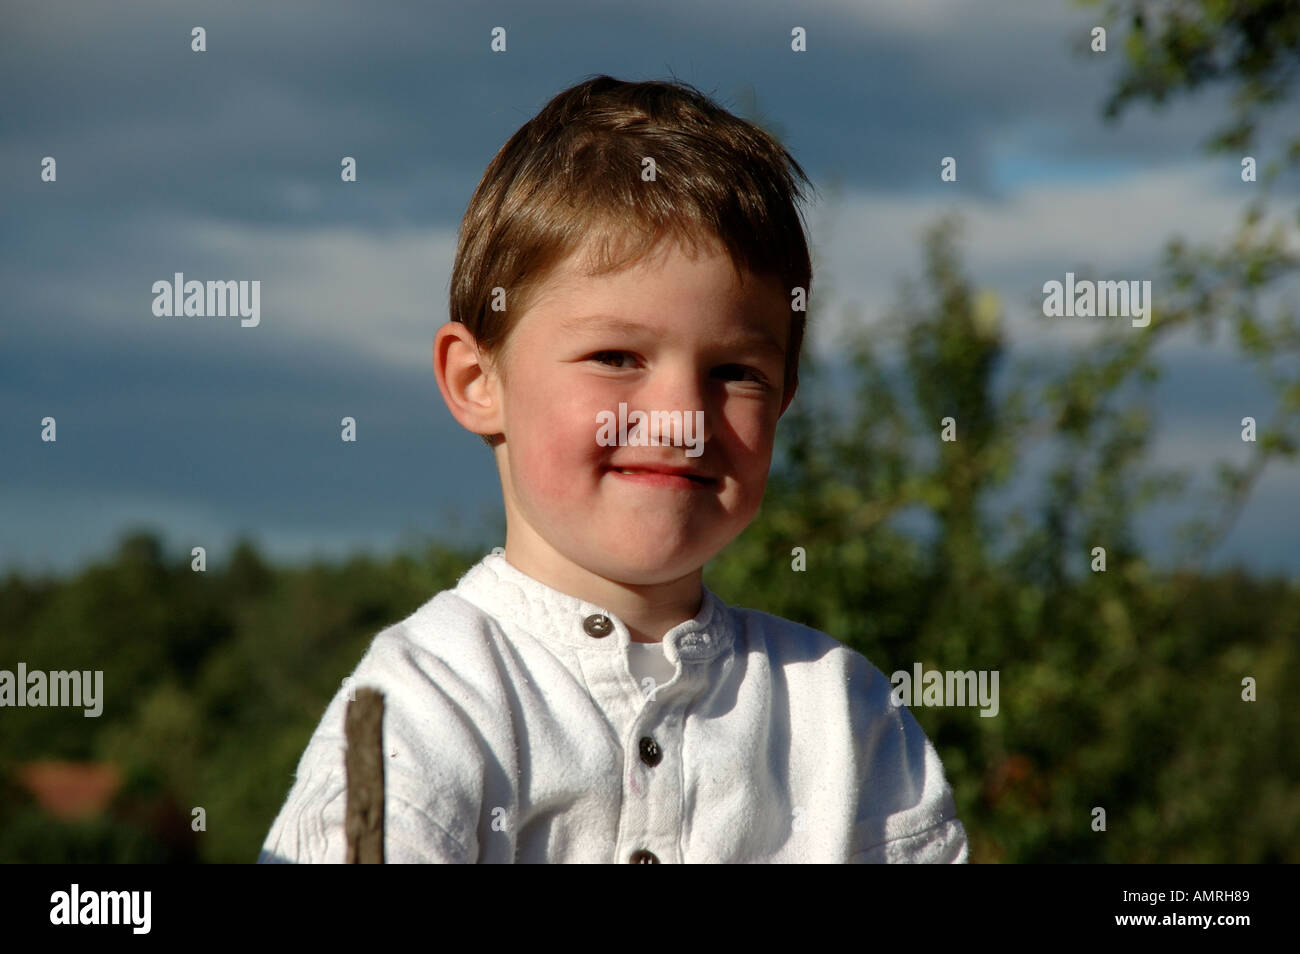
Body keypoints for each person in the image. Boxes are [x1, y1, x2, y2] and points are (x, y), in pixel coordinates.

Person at [259, 74, 968, 863]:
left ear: (784, 401)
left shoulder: (842, 714)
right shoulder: (428, 704)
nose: (680, 418)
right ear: (476, 381)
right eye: (616, 356)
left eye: (735, 371)